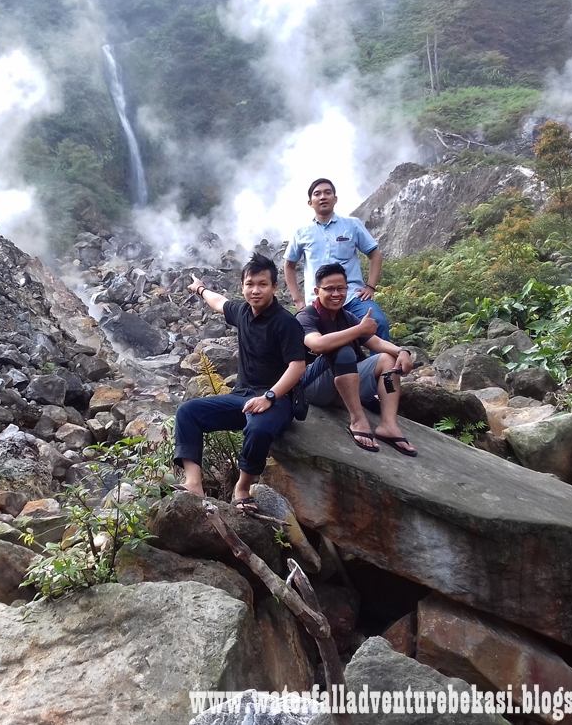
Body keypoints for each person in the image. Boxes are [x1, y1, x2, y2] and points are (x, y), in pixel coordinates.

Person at [174, 252, 307, 510]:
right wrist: (199, 288)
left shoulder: (285, 323)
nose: (255, 290)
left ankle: (242, 488)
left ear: (274, 287)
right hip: (242, 395)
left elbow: (297, 366)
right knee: (187, 413)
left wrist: (269, 397)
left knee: (258, 429)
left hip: (278, 398)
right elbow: (219, 302)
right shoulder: (243, 312)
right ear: (243, 287)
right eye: (250, 284)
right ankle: (193, 483)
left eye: (262, 284)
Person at [297, 262, 417, 456]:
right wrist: (359, 329)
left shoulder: (347, 317)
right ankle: (358, 420)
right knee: (343, 350)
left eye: (341, 288)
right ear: (317, 291)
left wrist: (402, 351)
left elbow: (376, 342)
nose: (336, 294)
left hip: (343, 384)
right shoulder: (306, 316)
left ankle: (388, 425)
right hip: (312, 387)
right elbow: (318, 345)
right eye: (329, 289)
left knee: (387, 359)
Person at [284, 178, 391, 340]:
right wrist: (298, 300)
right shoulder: (302, 232)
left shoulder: (352, 225)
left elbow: (375, 255)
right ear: (310, 203)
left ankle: (383, 358)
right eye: (317, 194)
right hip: (318, 301)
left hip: (353, 297)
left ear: (335, 199)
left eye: (327, 193)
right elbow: (289, 265)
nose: (323, 197)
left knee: (378, 322)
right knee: (302, 336)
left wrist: (370, 287)